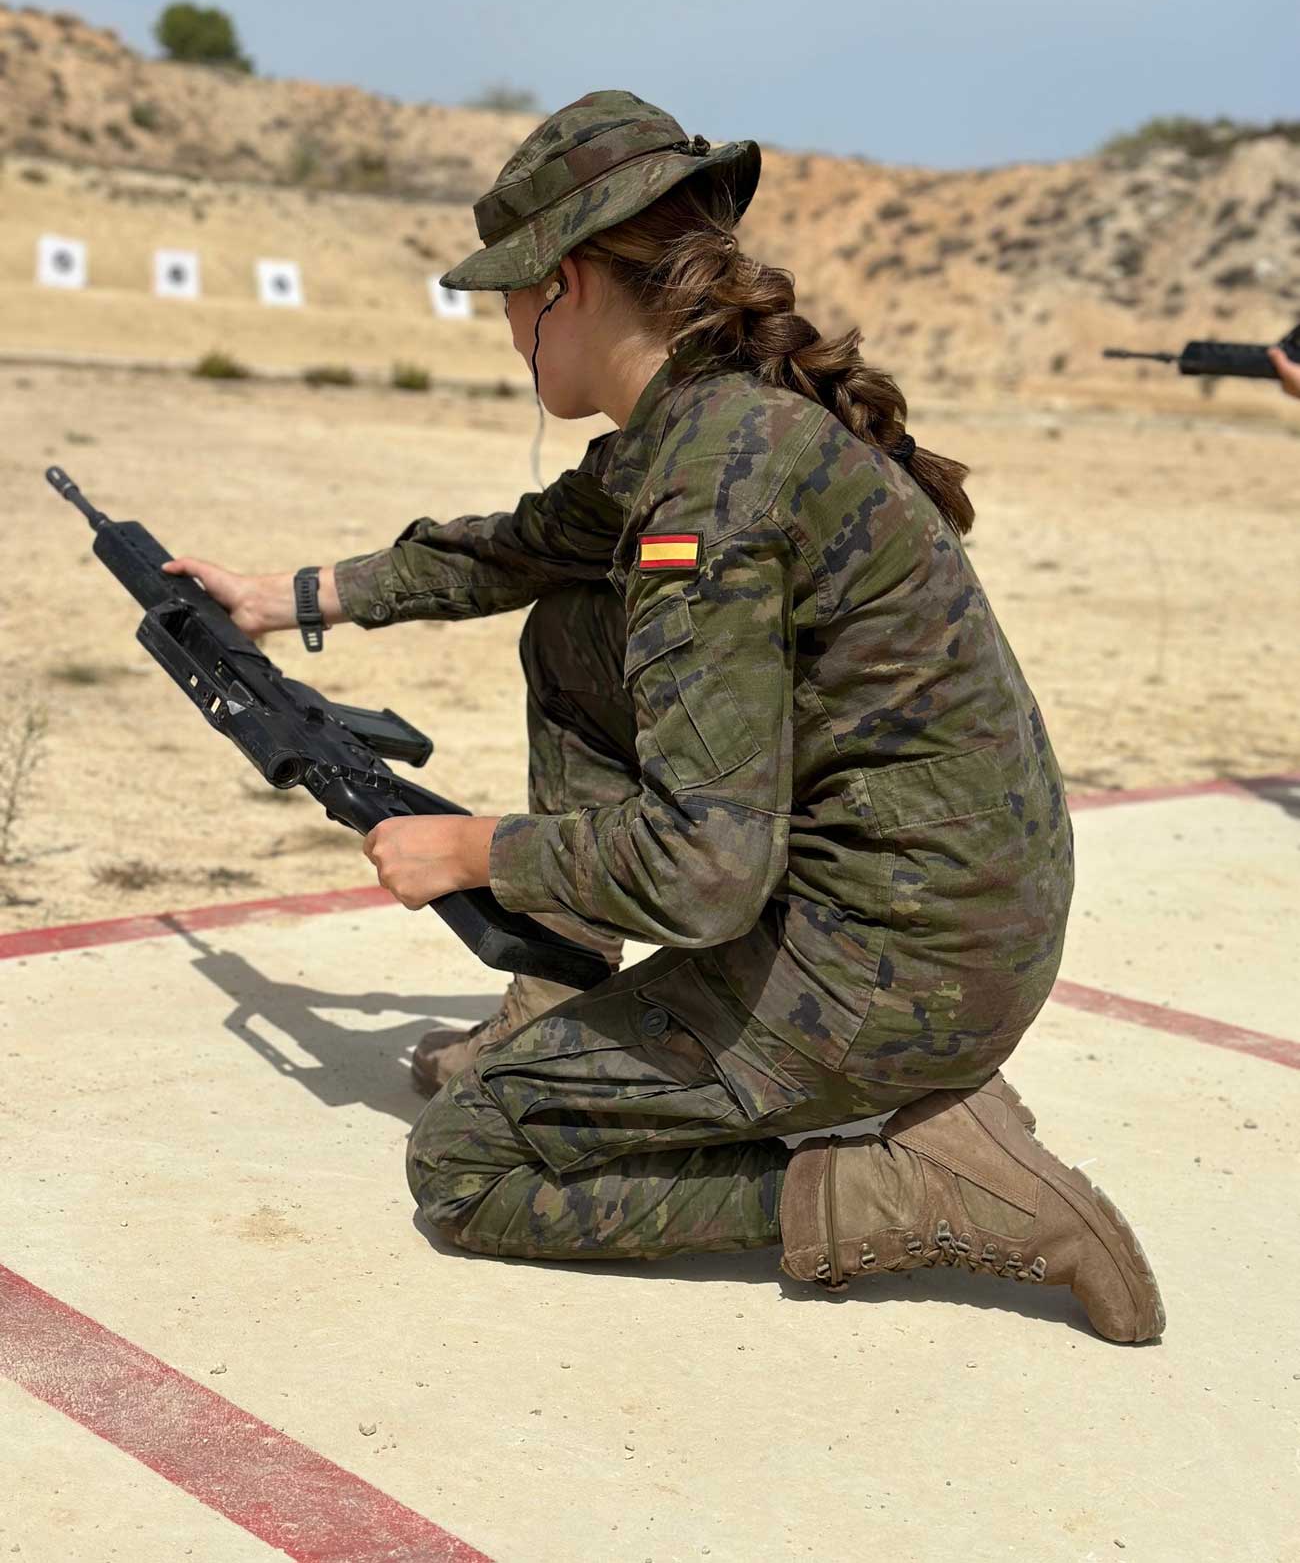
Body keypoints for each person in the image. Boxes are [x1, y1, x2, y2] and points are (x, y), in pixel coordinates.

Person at [168, 91, 1163, 1341]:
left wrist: (476, 851)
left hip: (900, 964)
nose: (510, 335)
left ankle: (906, 1181)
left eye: (511, 304)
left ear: (567, 285)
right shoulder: (710, 416)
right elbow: (523, 549)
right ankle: (569, 1009)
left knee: (472, 1162)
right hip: (948, 917)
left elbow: (706, 867)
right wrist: (287, 599)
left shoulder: (712, 487)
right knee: (575, 631)